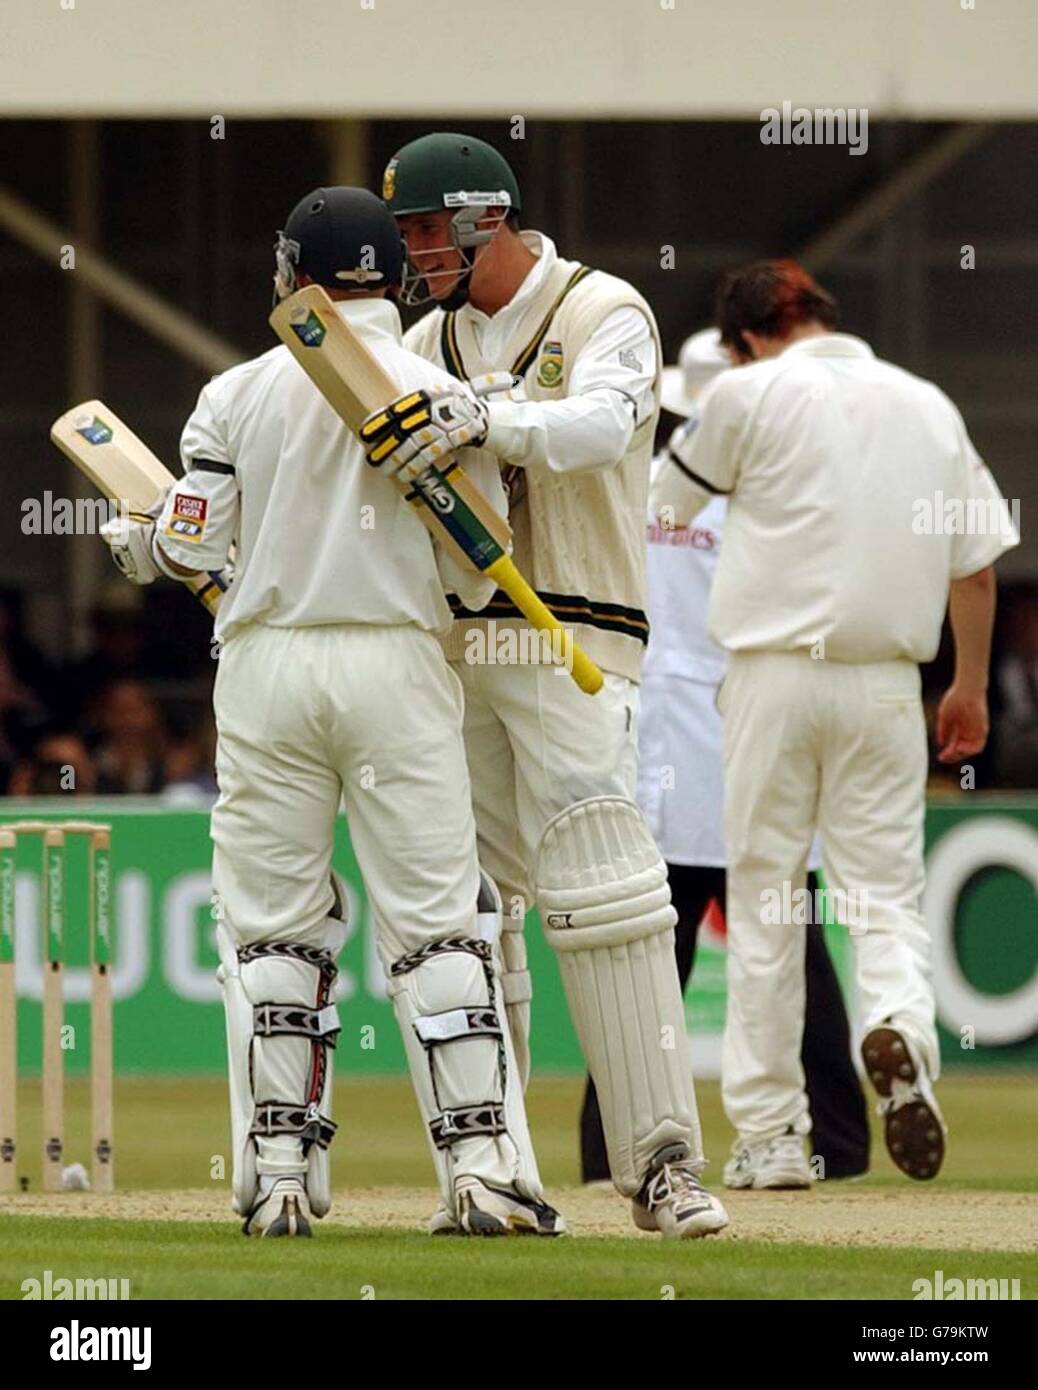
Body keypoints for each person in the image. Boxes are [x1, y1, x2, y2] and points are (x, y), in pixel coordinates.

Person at [100, 186, 561, 1238]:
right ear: (389, 278)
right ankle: (483, 1172)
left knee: (273, 933)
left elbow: (188, 548)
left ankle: (280, 1176)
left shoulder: (235, 393)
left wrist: (137, 539)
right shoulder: (443, 389)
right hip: (398, 661)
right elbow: (483, 576)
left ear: (290, 273)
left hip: (265, 666)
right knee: (441, 925)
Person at [366, 132, 727, 1238]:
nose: (415, 252)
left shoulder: (602, 307)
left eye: (427, 229)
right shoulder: (421, 334)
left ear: (486, 217)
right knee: (471, 909)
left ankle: (664, 1165)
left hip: (572, 630)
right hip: (457, 644)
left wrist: (484, 417)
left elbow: (608, 426)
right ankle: (498, 1169)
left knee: (607, 898)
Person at [651, 260, 1019, 1185]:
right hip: (889, 681)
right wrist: (966, 686)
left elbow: (666, 506)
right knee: (884, 896)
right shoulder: (926, 403)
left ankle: (773, 1136)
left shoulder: (746, 392)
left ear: (742, 340)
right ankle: (897, 1029)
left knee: (768, 901)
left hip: (773, 676)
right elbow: (974, 570)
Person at [580, 330, 869, 1188]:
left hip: (661, 746)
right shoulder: (777, 495)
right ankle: (840, 1148)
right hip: (746, 744)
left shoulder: (635, 484)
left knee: (640, 971)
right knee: (796, 959)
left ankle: (609, 1158)